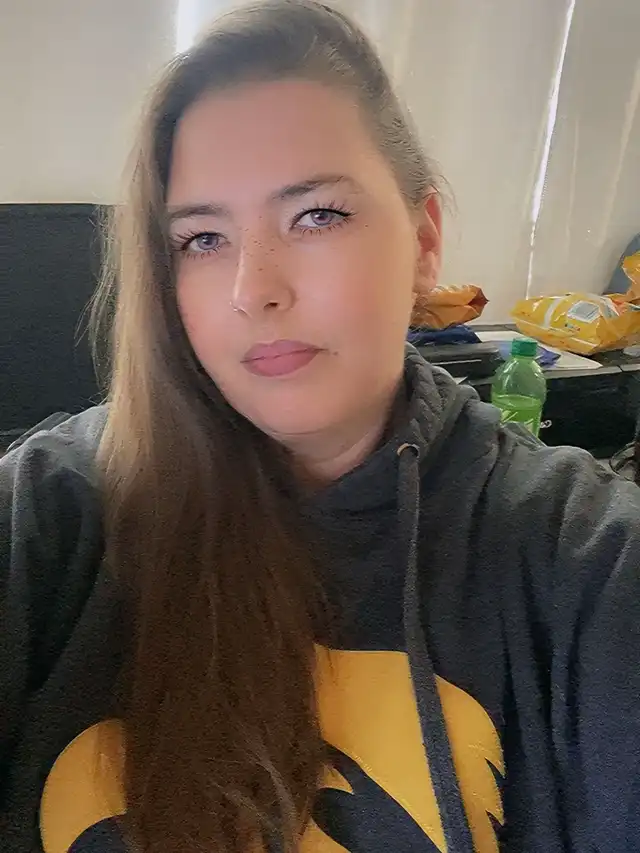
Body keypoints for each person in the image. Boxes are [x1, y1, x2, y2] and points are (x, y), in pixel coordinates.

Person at [1, 1, 639, 851]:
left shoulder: (583, 562)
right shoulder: (46, 517)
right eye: (201, 238)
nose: (253, 290)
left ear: (424, 241)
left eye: (316, 216)